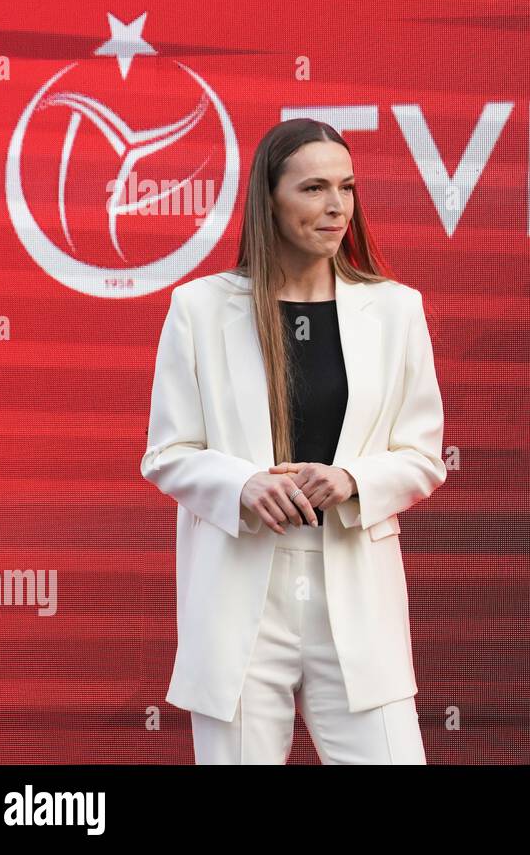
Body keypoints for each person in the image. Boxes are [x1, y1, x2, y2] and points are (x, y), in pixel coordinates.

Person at [140, 118, 447, 764]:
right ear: (269, 200)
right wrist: (242, 484)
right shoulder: (198, 307)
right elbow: (167, 453)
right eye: (313, 188)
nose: (336, 206)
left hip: (356, 585)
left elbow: (422, 455)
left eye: (347, 187)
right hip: (239, 590)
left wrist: (354, 480)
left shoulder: (396, 309)